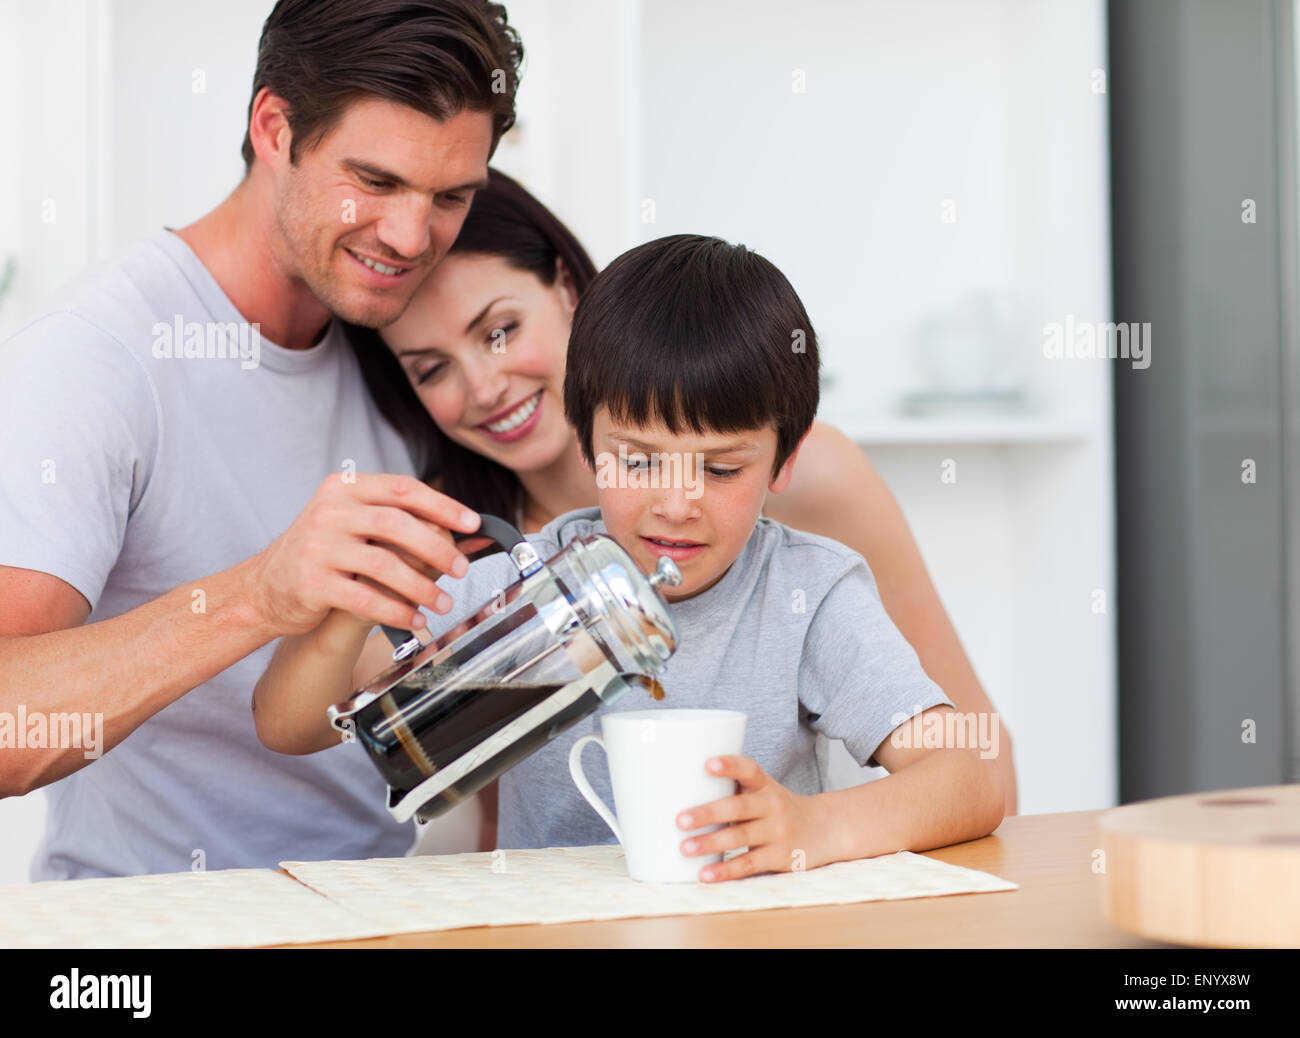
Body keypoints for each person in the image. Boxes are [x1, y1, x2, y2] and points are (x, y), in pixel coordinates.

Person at [253, 234, 1006, 882]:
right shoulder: (525, 583)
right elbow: (293, 726)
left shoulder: (806, 591)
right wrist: (350, 608)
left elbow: (969, 775)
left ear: (782, 465)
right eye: (639, 463)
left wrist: (815, 830)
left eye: (720, 469)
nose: (677, 502)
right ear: (587, 446)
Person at [0, 0, 523, 879]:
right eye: (377, 181)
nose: (410, 235)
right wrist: (256, 597)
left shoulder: (407, 343)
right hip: (151, 934)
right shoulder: (98, 357)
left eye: (451, 197)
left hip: (376, 917)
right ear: (274, 127)